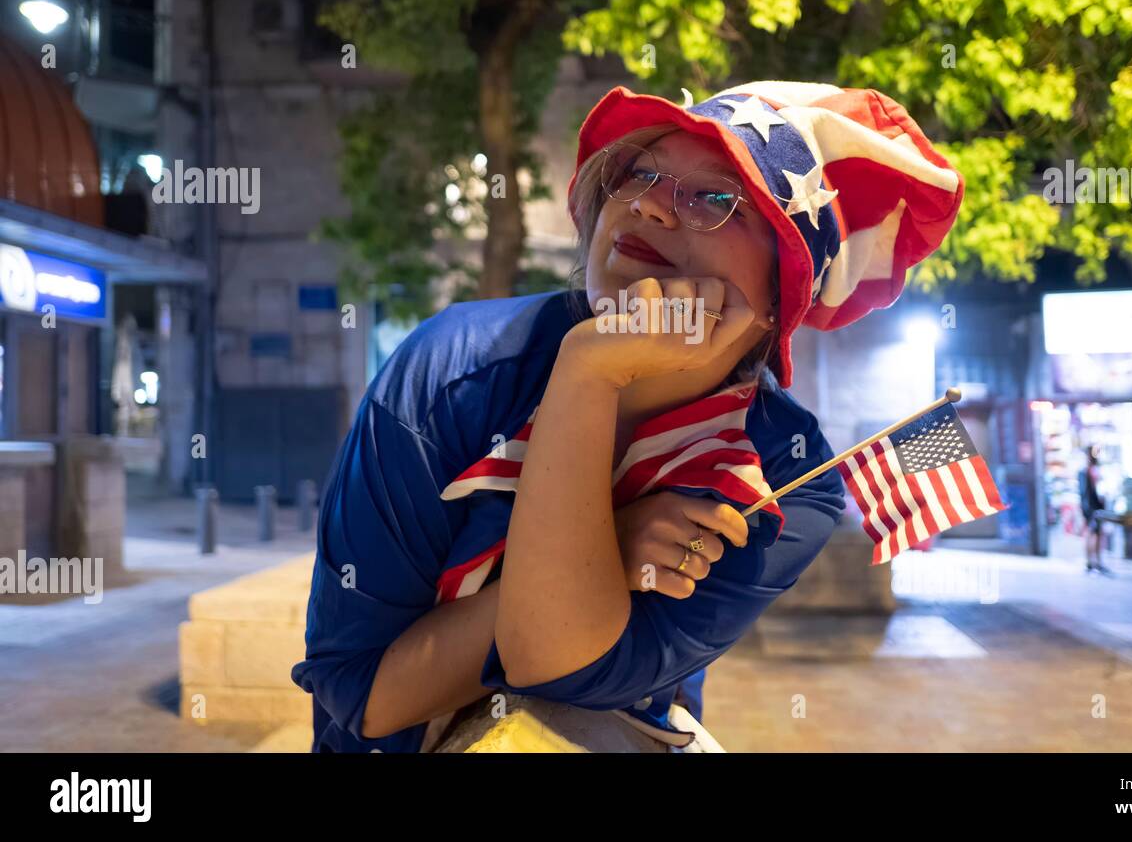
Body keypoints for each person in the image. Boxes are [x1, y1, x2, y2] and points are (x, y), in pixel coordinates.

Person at [289, 80, 965, 752]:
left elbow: (559, 665)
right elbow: (365, 698)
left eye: (716, 199)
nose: (651, 208)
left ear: (779, 296)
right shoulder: (452, 370)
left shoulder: (784, 473)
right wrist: (590, 373)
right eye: (641, 173)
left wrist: (592, 383)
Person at [1080, 446, 1110, 574]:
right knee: (1093, 534)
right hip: (1093, 507)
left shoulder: (1088, 471)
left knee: (1095, 533)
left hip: (1092, 507)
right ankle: (1093, 562)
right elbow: (1094, 492)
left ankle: (1093, 562)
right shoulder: (1090, 471)